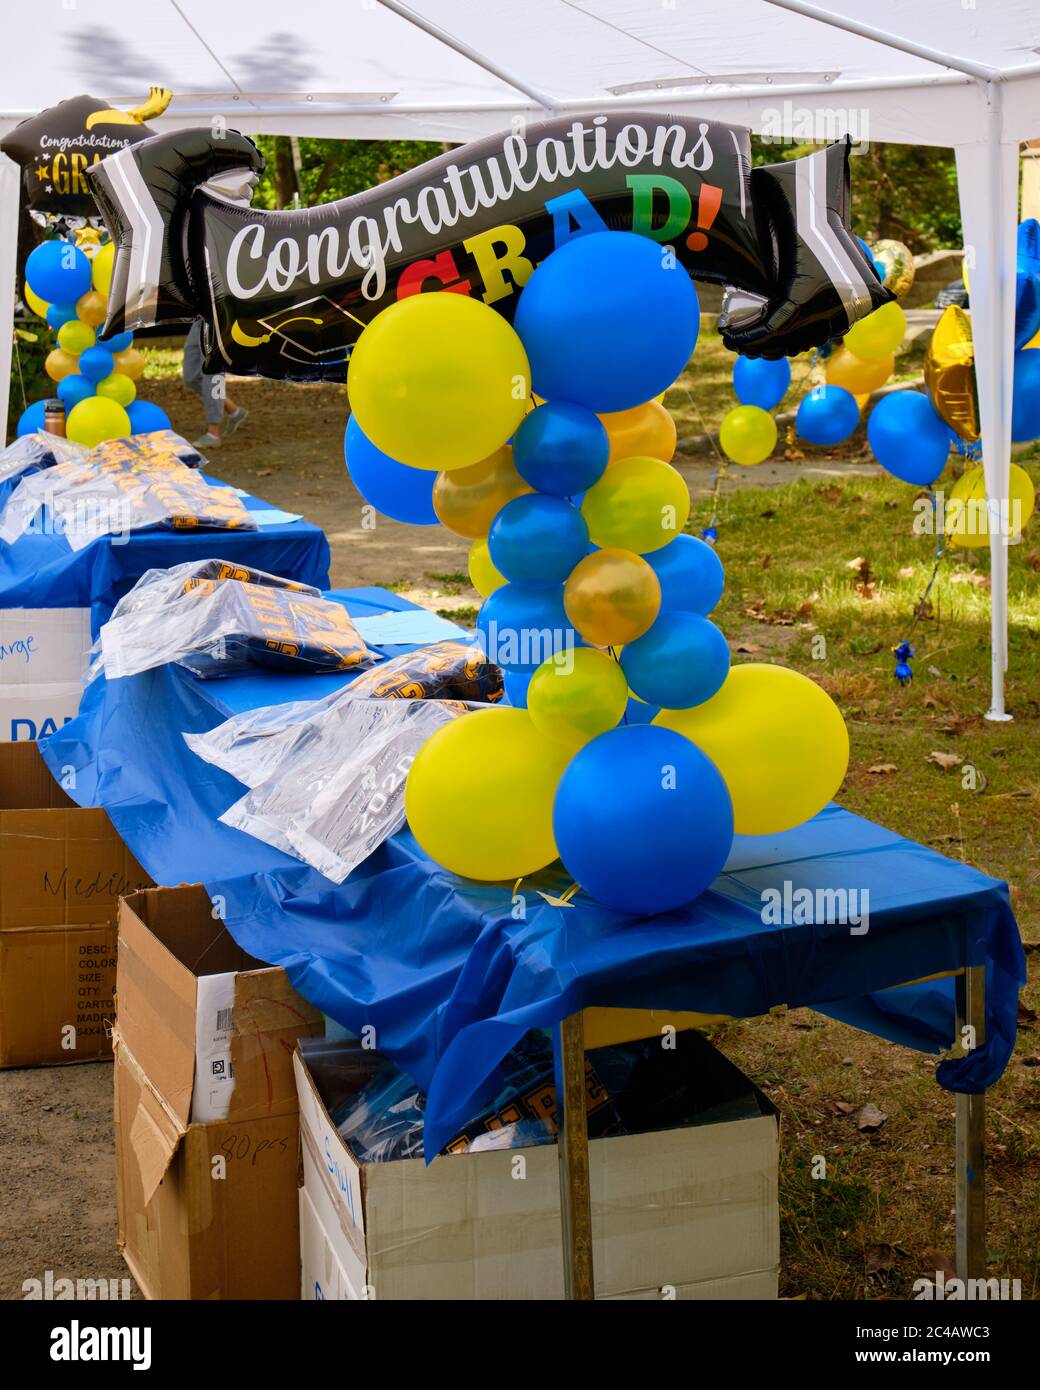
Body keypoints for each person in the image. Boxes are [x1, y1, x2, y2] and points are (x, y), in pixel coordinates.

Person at [182, 319, 247, 447]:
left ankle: (213, 434)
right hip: (199, 320)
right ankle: (234, 411)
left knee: (212, 375)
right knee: (191, 378)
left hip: (218, 321)